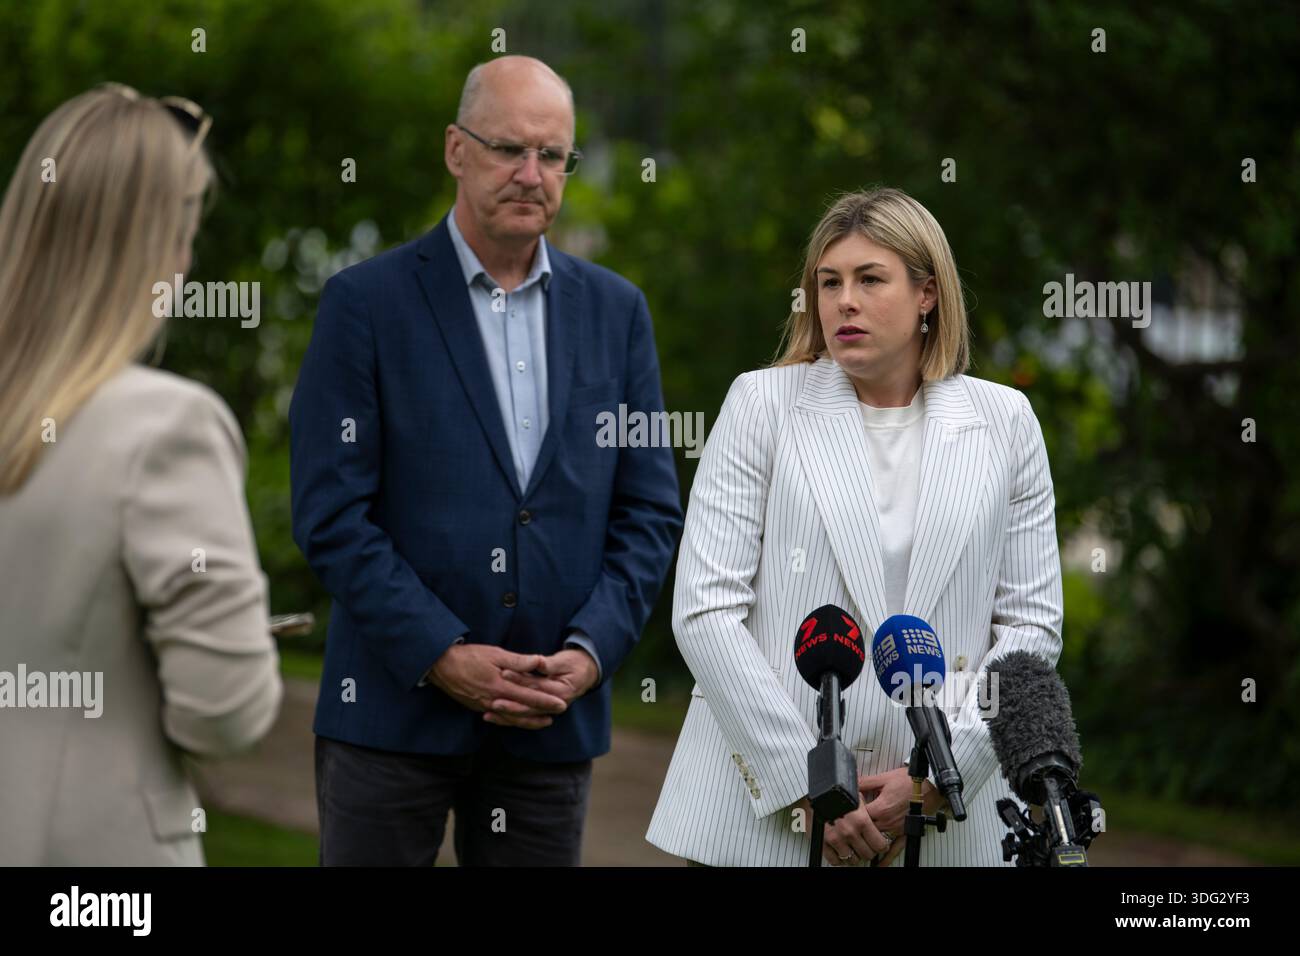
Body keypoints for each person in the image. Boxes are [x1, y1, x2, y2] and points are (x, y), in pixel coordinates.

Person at [290, 56, 682, 866]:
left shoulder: (617, 313)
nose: (531, 175)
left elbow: (649, 514)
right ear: (455, 149)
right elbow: (331, 514)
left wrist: (587, 655)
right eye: (509, 149)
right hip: (390, 718)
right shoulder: (366, 305)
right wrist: (441, 654)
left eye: (553, 155)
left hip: (548, 722)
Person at [647, 187, 1063, 866]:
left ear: (927, 293)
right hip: (765, 826)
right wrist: (808, 786)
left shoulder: (1005, 421)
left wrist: (936, 775)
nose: (844, 300)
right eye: (829, 282)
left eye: (871, 279)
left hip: (942, 824)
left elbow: (1031, 628)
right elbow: (705, 610)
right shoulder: (762, 405)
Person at [0, 84, 283, 865]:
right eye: (184, 229)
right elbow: (225, 713)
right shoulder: (165, 428)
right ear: (154, 242)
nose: (188, 261)